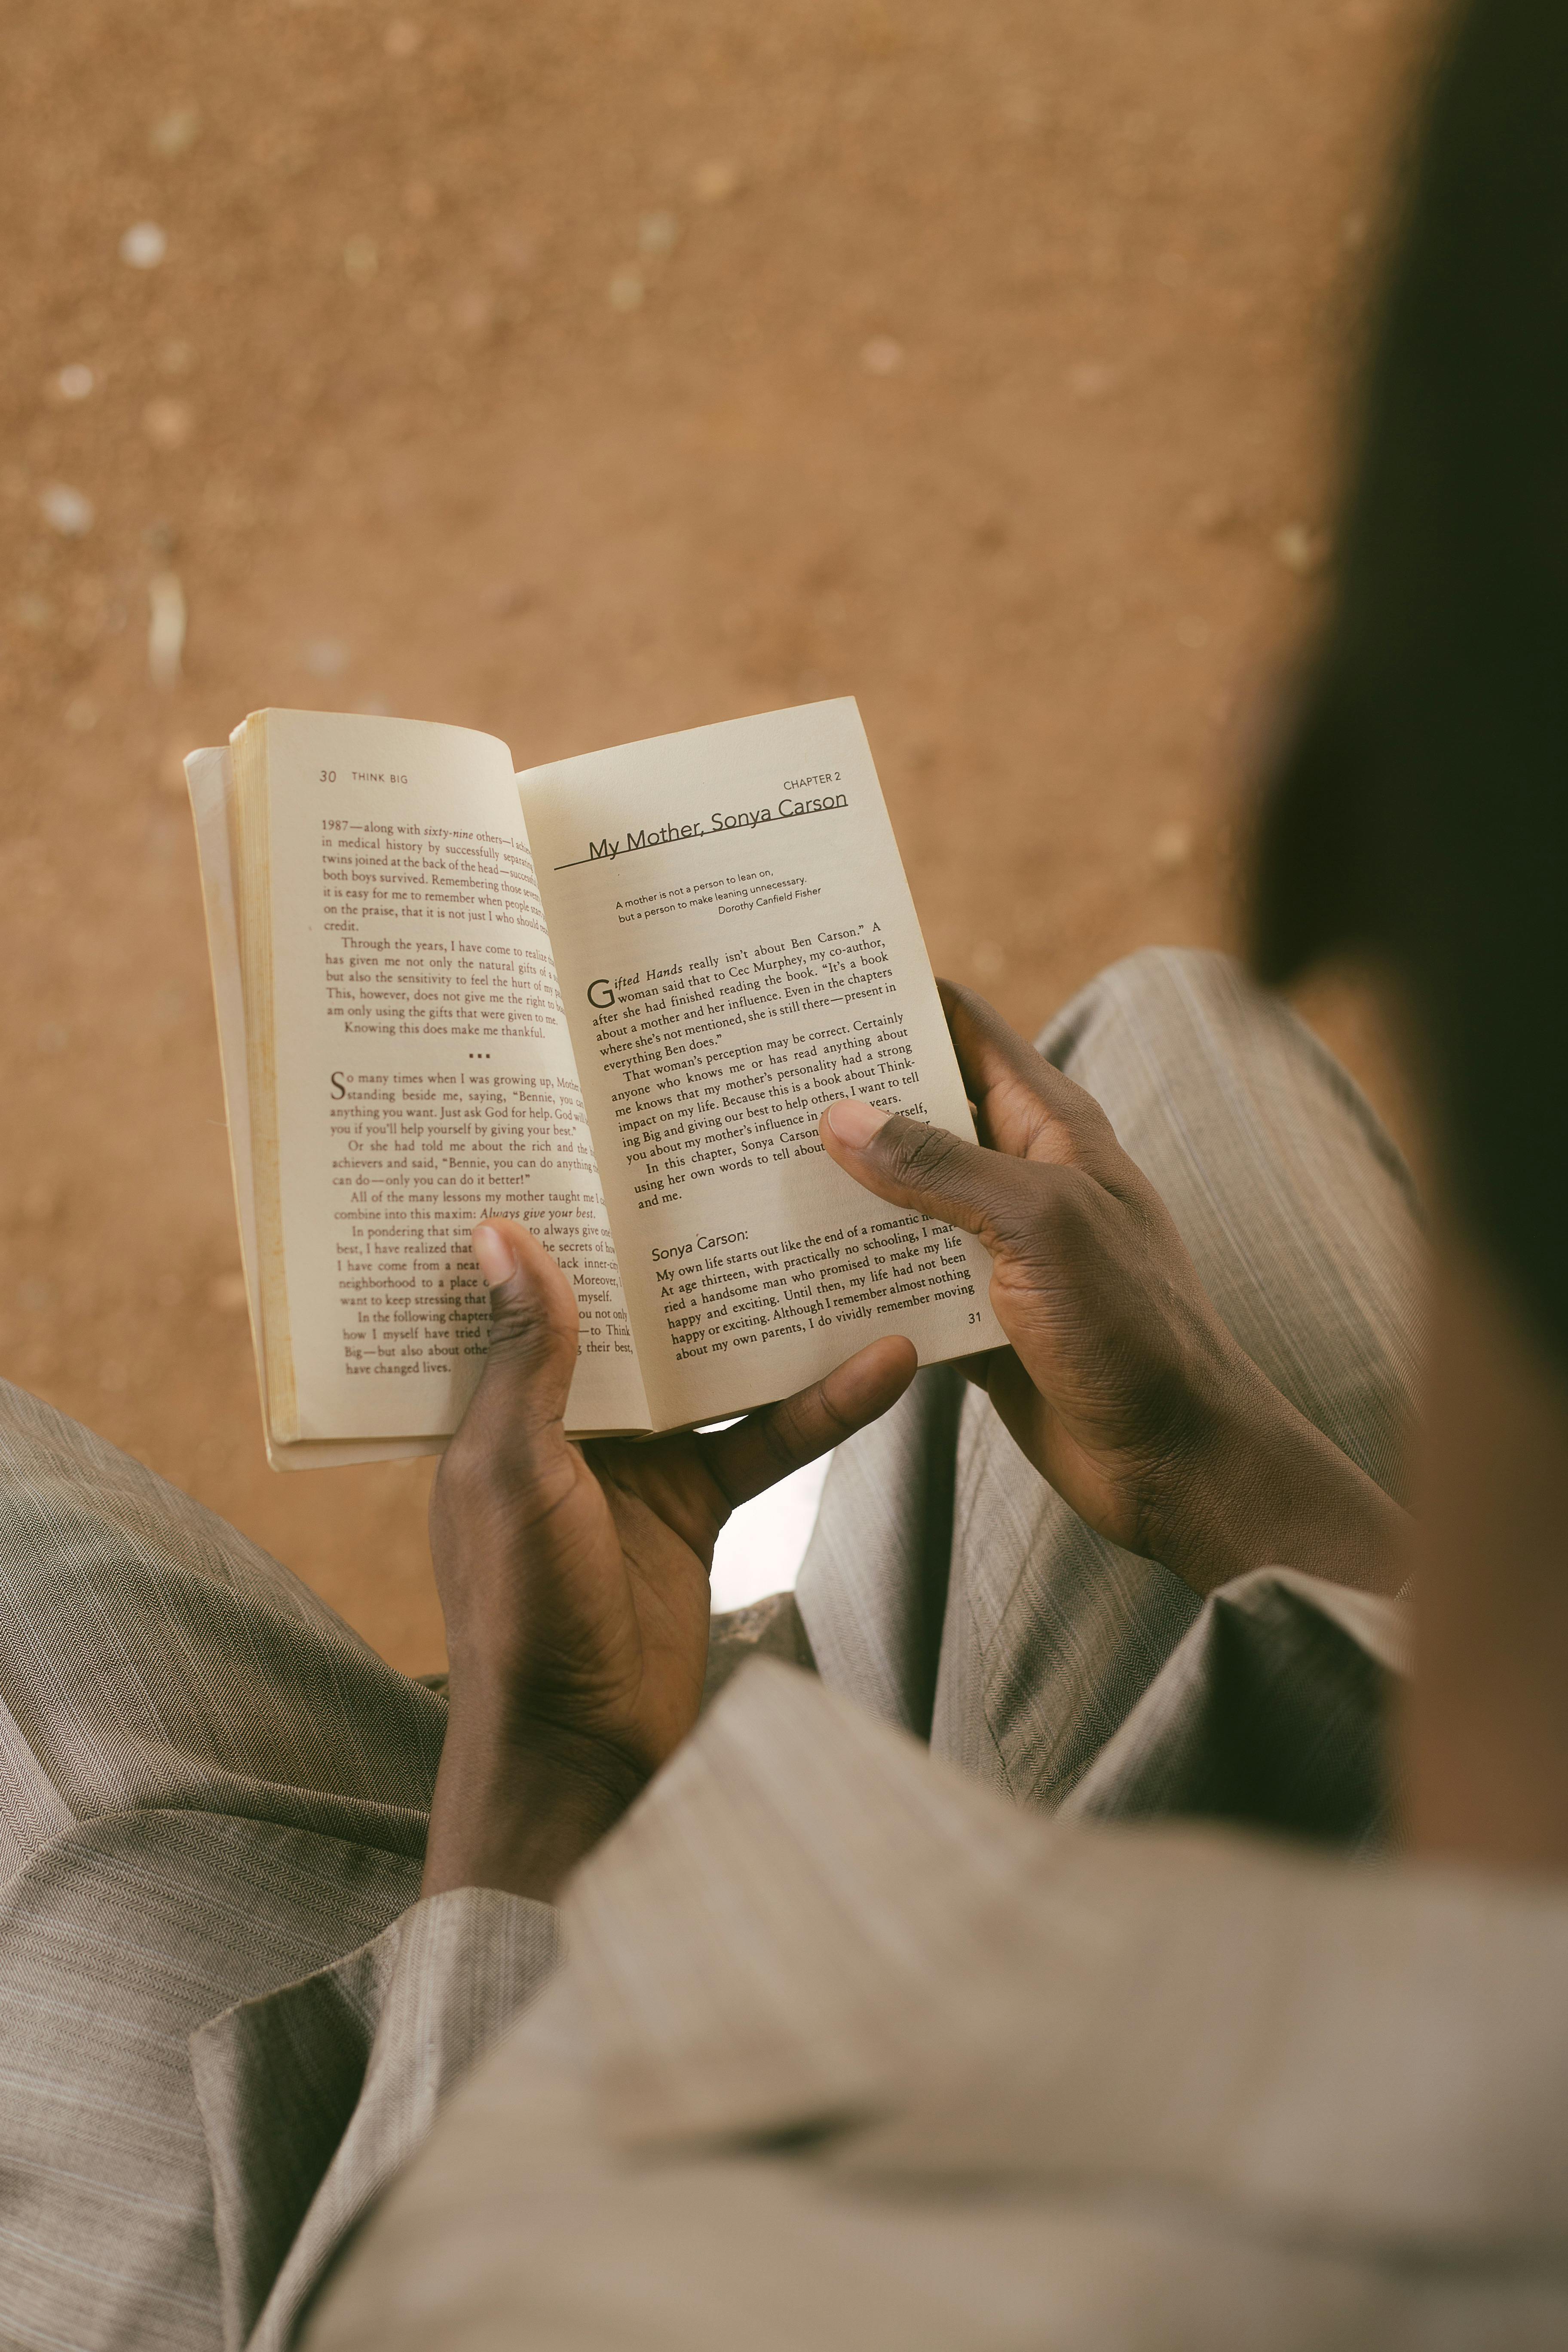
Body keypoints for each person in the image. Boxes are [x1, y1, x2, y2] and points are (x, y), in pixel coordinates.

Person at [5, 0, 1568, 2344]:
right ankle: (804, 1686)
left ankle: (750, 1721)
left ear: (1310, 804)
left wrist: (552, 1793)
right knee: (1168, 1050)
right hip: (1359, 1869)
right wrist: (1233, 1474)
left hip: (624, 2176)